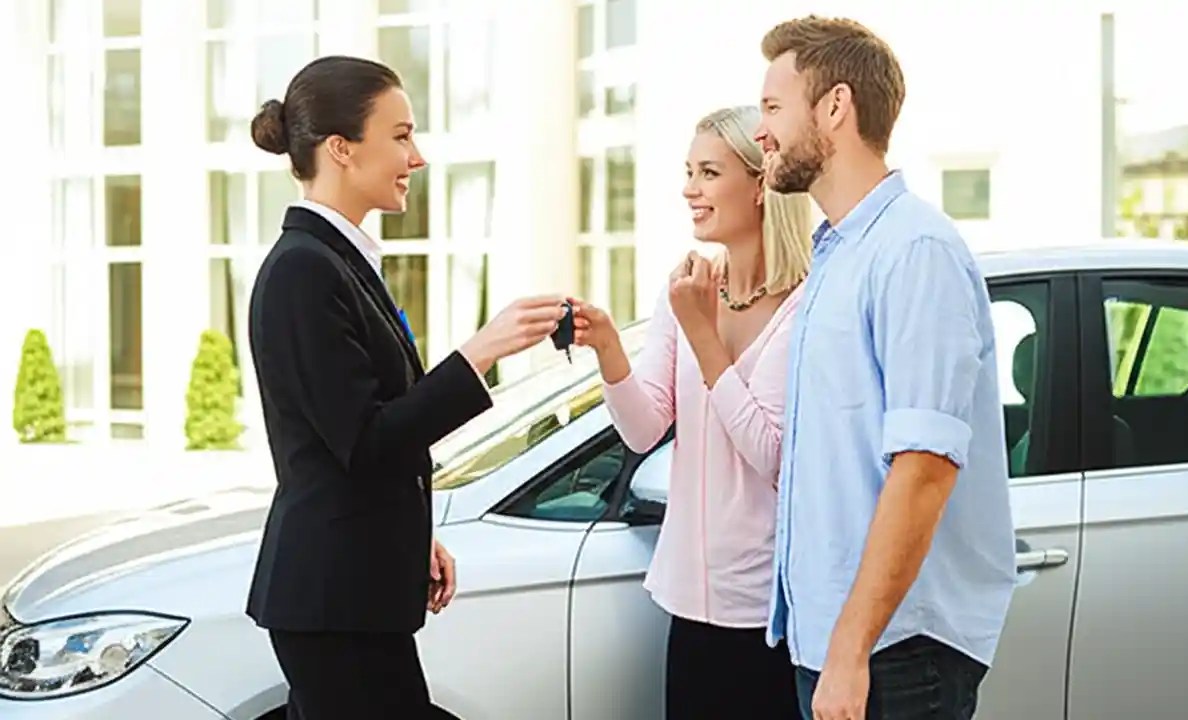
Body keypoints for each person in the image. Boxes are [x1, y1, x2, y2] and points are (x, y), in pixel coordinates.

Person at [244, 55, 566, 720]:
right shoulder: (305, 270)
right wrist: (480, 352)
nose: (415, 157)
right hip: (333, 603)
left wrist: (412, 535)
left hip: (354, 593)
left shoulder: (337, 261)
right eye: (400, 135)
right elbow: (363, 440)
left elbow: (365, 437)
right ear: (340, 149)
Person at [754, 16, 1017, 720]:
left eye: (774, 107)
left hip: (895, 654)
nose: (761, 131)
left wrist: (849, 649)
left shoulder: (914, 251)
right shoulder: (840, 255)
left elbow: (925, 467)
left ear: (835, 107)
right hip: (841, 645)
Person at [571, 105, 812, 719]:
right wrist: (608, 350)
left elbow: (773, 453)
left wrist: (703, 332)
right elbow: (644, 426)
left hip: (770, 612)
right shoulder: (686, 285)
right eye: (688, 171)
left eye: (707, 172)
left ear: (760, 186)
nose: (689, 189)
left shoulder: (807, 304)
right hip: (689, 604)